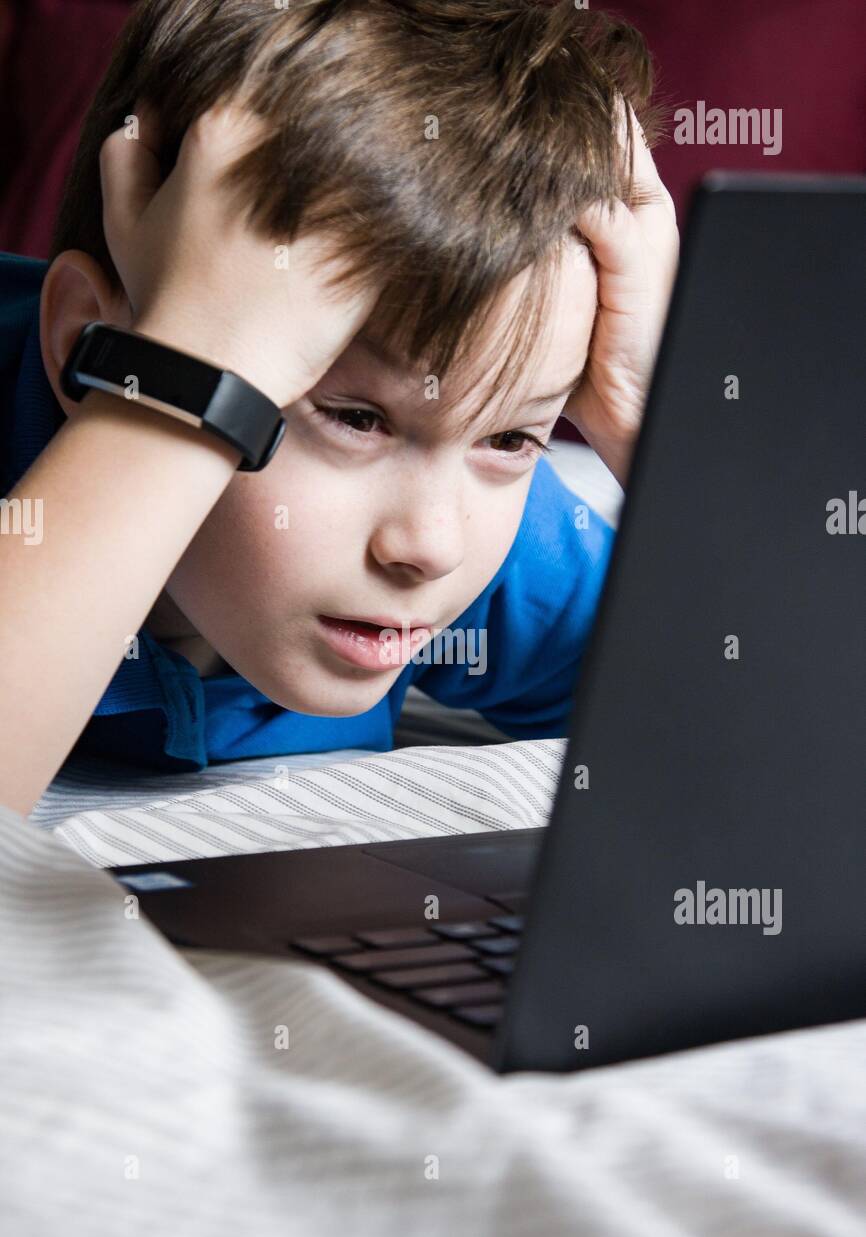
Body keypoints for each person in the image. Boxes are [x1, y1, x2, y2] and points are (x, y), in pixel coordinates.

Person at [0, 0, 677, 816]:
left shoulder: (493, 539)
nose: (430, 547)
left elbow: (791, 733)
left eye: (510, 435)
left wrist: (658, 429)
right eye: (357, 418)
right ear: (86, 347)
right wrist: (176, 378)